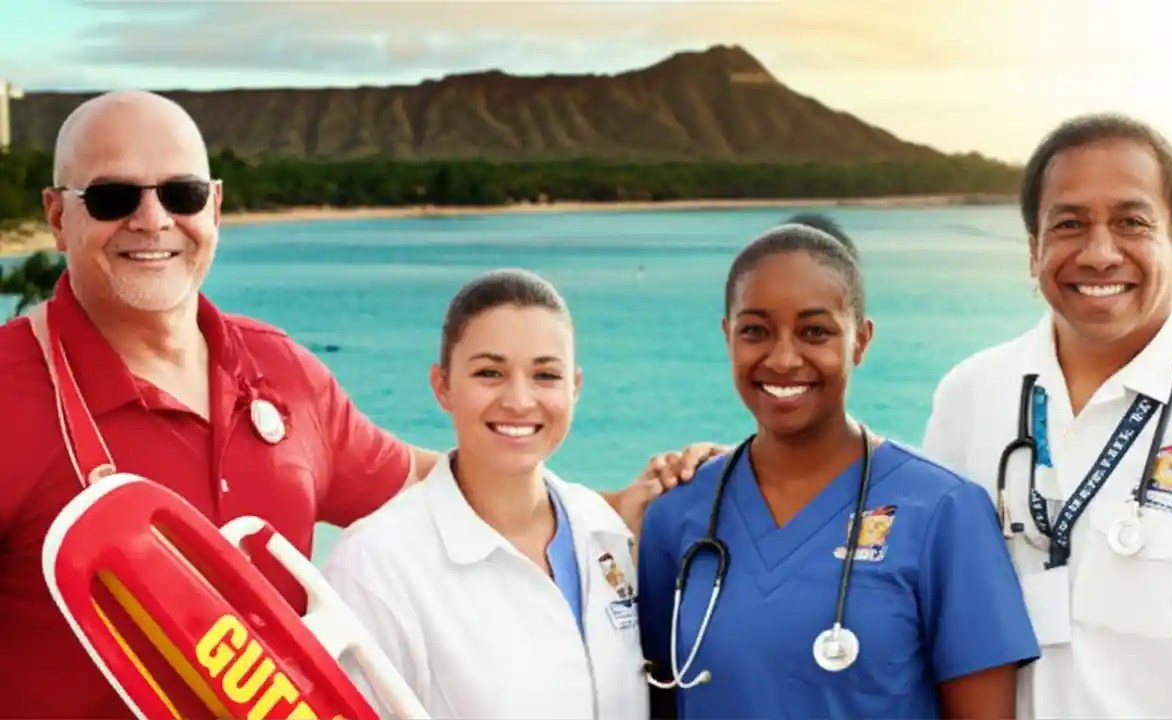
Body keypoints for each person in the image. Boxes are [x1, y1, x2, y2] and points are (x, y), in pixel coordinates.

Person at [0, 90, 711, 718]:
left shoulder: (280, 372)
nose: (152, 220)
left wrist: (615, 508)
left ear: (213, 207)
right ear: (57, 216)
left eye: (180, 194)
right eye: (113, 198)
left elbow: (441, 484)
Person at [921, 113, 1172, 719]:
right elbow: (928, 604)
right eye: (1069, 224)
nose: (1099, 254)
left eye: (1131, 222)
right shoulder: (970, 397)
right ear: (1033, 249)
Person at [637, 218, 1040, 719]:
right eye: (755, 331)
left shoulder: (944, 511)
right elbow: (656, 694)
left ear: (860, 341)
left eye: (815, 332)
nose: (783, 359)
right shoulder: (678, 513)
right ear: (728, 337)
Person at [323, 268, 653, 719]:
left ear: (574, 388)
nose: (519, 400)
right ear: (442, 386)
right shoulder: (375, 563)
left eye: (545, 375)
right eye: (489, 373)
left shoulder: (601, 529)